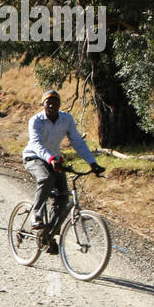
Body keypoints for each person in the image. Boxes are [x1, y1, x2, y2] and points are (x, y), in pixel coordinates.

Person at [23, 90, 104, 254]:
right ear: (43, 104)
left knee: (63, 198)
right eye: (48, 102)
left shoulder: (66, 119)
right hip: (34, 157)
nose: (52, 105)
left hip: (55, 160)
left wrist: (92, 163)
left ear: (60, 105)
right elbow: (36, 145)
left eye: (55, 102)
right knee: (46, 179)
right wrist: (51, 158)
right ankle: (36, 216)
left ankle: (48, 235)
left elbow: (77, 141)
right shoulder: (36, 121)